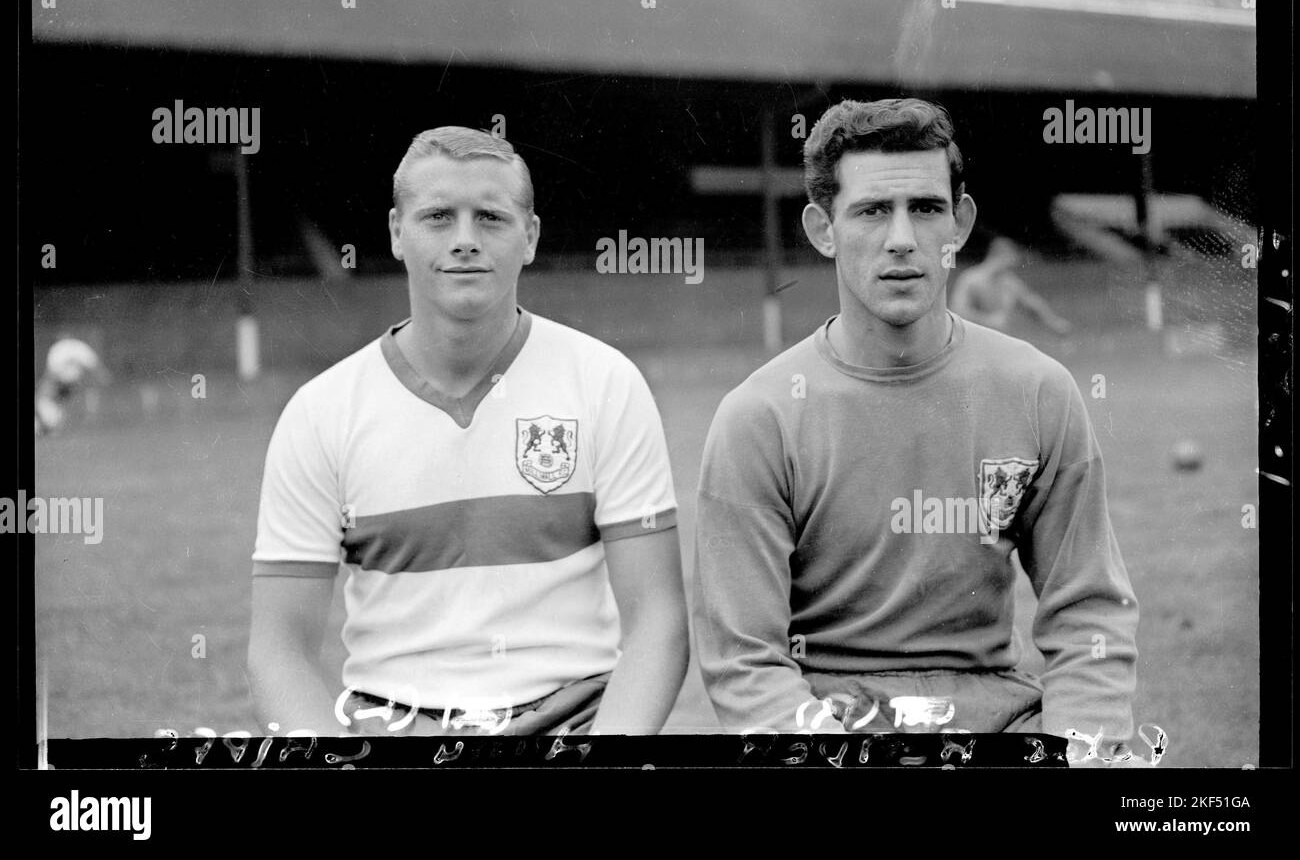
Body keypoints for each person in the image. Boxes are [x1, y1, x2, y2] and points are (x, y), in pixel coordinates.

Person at [692, 98, 1139, 763]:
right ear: (823, 228)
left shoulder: (1039, 390)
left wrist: (1078, 746)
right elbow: (744, 659)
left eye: (926, 208)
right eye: (872, 211)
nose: (901, 236)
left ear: (959, 222)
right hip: (831, 722)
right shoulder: (759, 417)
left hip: (996, 716)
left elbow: (1089, 612)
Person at [249, 127, 688, 737]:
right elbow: (279, 651)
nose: (464, 241)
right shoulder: (320, 412)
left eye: (490, 218)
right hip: (392, 734)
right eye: (437, 217)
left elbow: (659, 622)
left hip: (573, 730)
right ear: (397, 233)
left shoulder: (605, 383)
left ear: (530, 237)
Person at [949, 236, 1072, 335]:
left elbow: (1031, 304)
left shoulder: (1009, 282)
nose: (1013, 265)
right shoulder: (971, 279)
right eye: (1011, 259)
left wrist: (1054, 322)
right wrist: (988, 321)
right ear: (999, 256)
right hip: (974, 340)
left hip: (999, 341)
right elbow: (958, 311)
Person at [35, 337, 109, 436]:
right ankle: (48, 426)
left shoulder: (64, 349)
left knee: (47, 401)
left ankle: (48, 426)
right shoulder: (76, 349)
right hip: (69, 384)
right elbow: (94, 364)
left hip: (67, 383)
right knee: (53, 405)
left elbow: (52, 372)